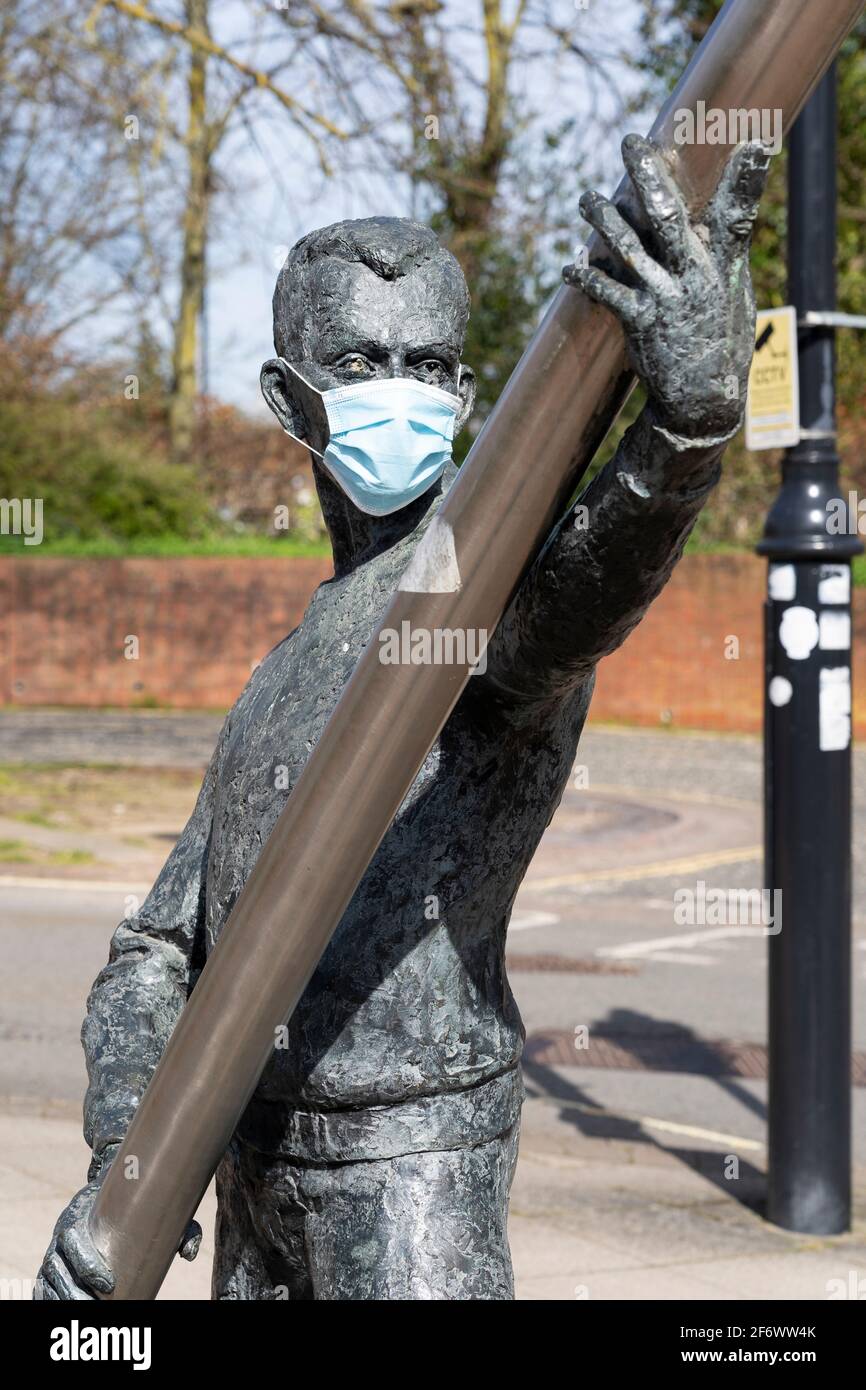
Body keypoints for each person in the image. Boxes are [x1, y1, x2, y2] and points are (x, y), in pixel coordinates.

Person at [36, 134, 769, 1300]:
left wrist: (683, 432)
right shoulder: (281, 671)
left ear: (470, 392)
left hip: (413, 1183)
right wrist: (126, 1167)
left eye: (428, 364)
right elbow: (162, 946)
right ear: (290, 397)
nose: (401, 390)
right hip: (247, 1185)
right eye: (362, 360)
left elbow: (588, 586)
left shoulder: (478, 601)